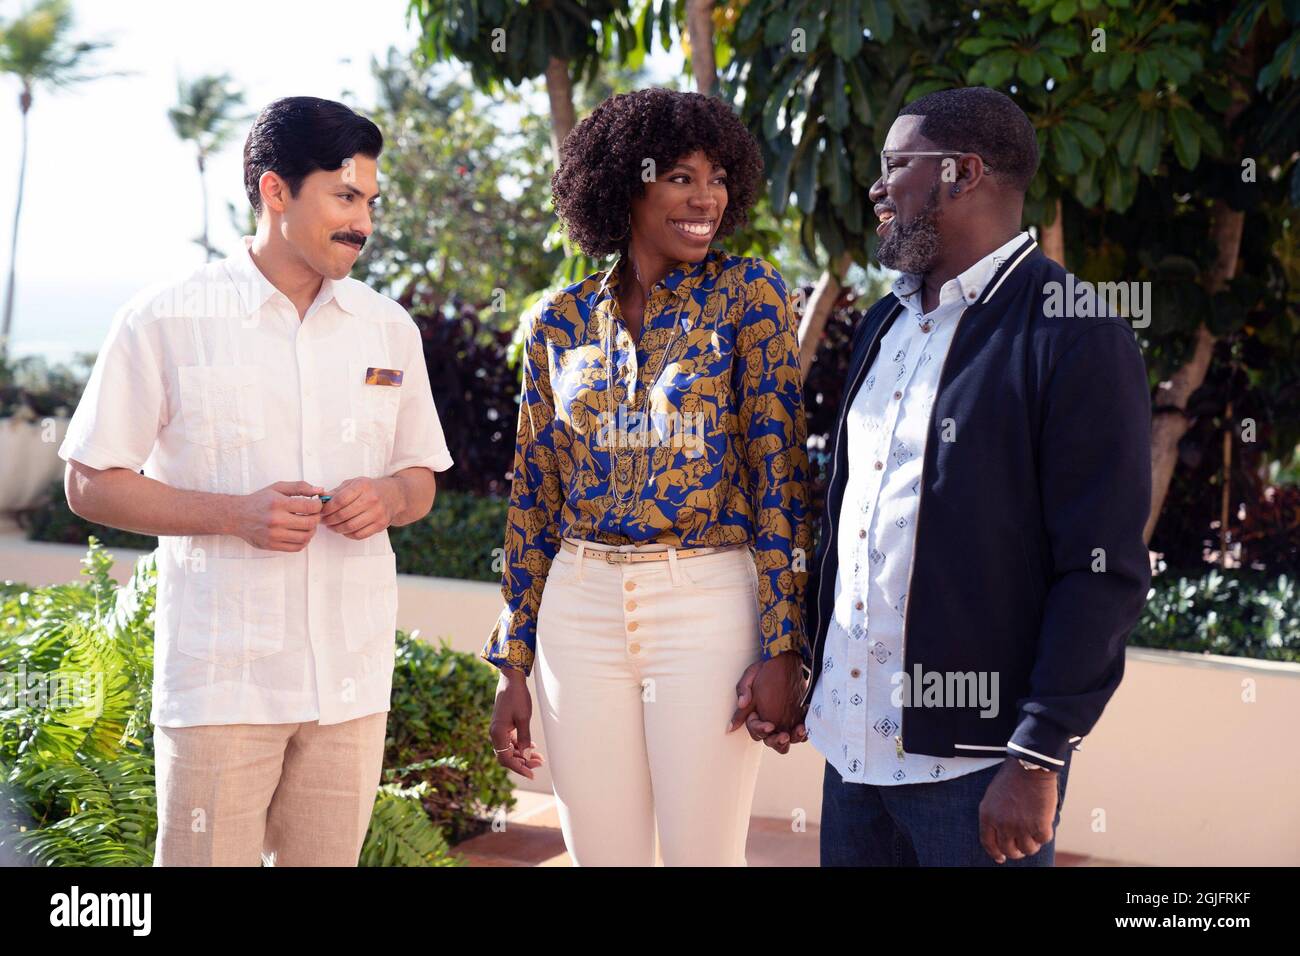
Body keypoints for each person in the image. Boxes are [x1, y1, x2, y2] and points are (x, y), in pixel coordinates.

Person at [58, 96, 453, 866]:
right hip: (221, 686)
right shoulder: (166, 318)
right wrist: (233, 514)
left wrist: (390, 498)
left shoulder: (388, 328)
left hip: (350, 683)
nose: (363, 224)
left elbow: (419, 480)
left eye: (370, 202)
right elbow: (89, 481)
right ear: (276, 192)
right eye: (345, 198)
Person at [789, 87, 1152, 866]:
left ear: (962, 172)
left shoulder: (1075, 333)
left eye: (896, 166)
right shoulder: (884, 323)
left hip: (977, 770)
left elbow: (1103, 571)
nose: (879, 187)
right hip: (851, 758)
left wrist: (1039, 753)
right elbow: (851, 524)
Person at [480, 88, 814, 866]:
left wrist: (782, 643)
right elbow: (533, 497)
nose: (706, 198)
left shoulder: (750, 296)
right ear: (623, 185)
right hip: (578, 608)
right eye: (681, 178)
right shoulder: (557, 323)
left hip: (705, 605)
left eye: (719, 178)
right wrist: (513, 662)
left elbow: (781, 478)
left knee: (704, 857)